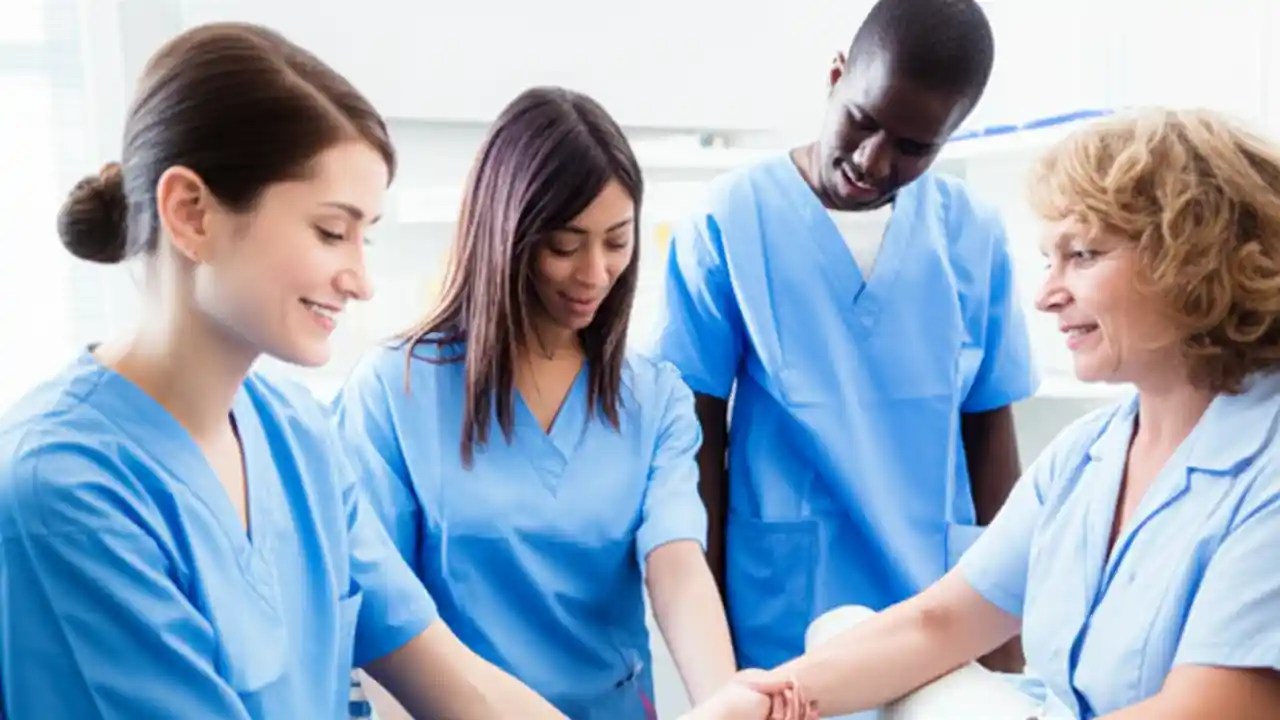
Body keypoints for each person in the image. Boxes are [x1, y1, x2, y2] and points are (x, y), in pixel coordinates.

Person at [0, 23, 568, 719]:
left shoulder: (298, 436)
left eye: (367, 235)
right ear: (191, 213)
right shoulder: (62, 486)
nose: (360, 279)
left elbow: (459, 686)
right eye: (332, 232)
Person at [694, 108, 1280, 719]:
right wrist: (755, 705)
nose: (1047, 294)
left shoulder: (1267, 471)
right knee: (846, 630)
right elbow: (941, 623)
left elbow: (1213, 709)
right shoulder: (1089, 455)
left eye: (1082, 255)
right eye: (1050, 259)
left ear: (1196, 262)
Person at [332, 85, 769, 720]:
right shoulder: (396, 389)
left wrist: (724, 700)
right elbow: (380, 616)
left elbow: (676, 566)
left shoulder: (652, 399)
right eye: (564, 245)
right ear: (505, 234)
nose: (594, 273)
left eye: (616, 241)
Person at [655, 0, 1035, 674]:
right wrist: (713, 664)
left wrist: (1007, 650)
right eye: (863, 120)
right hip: (783, 617)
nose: (872, 159)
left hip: (938, 607)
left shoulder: (971, 235)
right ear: (836, 75)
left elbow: (990, 439)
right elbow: (697, 445)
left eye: (915, 147)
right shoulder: (729, 221)